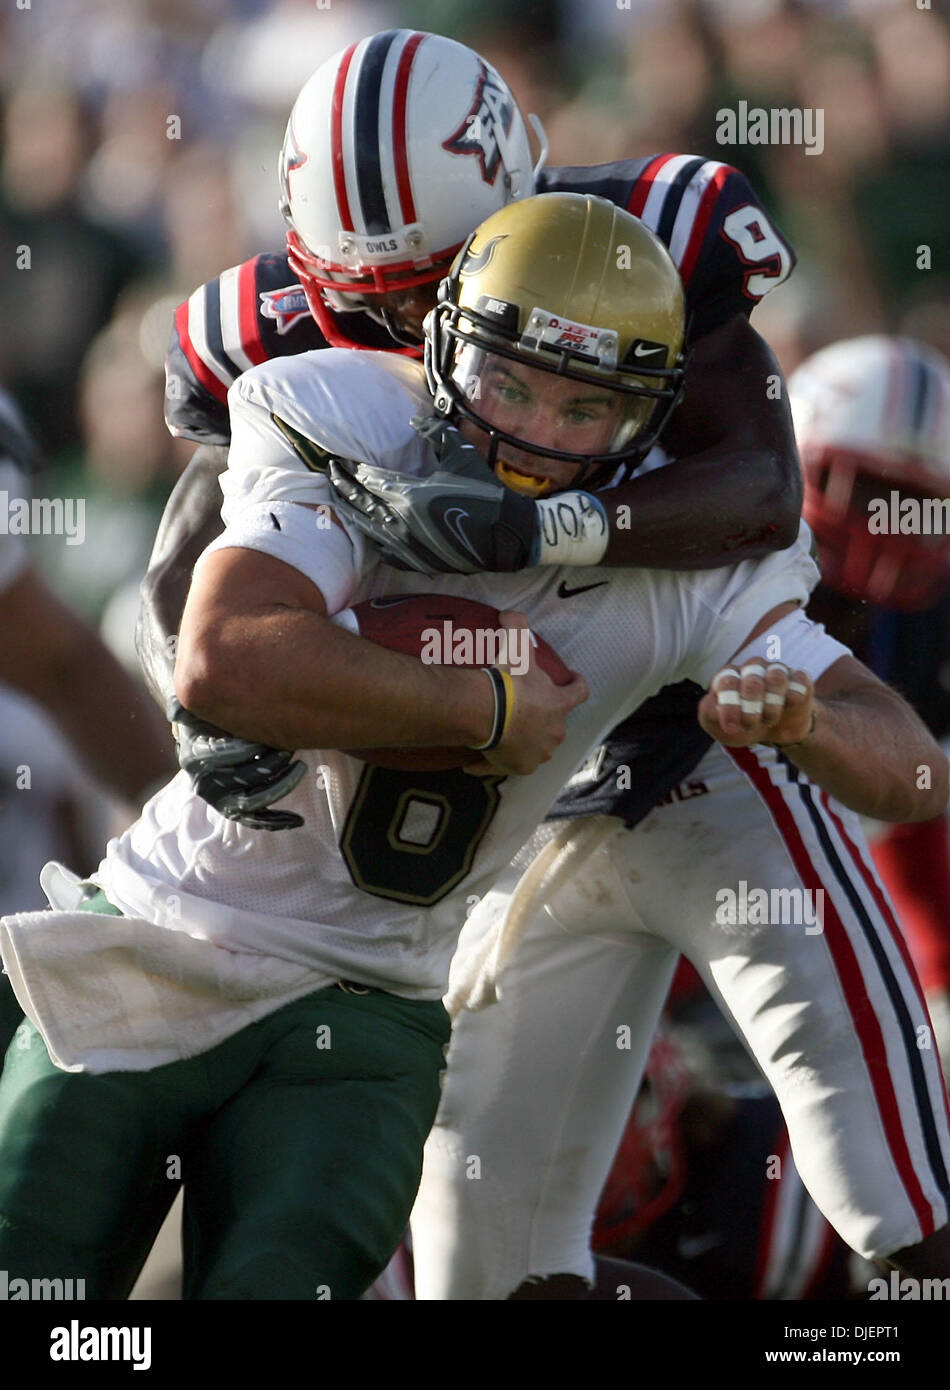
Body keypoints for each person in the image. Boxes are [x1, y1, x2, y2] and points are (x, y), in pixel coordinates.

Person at [0, 194, 936, 1301]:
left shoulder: (694, 563)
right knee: (35, 1277)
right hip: (162, 932)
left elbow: (912, 765)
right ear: (436, 336)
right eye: (507, 380)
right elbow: (221, 657)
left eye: (584, 404)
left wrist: (809, 720)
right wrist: (477, 708)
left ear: (650, 415)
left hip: (370, 996)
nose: (532, 429)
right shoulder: (338, 407)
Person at [139, 27, 800, 832]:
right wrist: (190, 697)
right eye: (368, 296)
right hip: (435, 727)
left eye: (435, 280)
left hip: (677, 709)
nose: (410, 317)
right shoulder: (260, 332)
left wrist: (539, 528)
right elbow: (187, 566)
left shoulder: (645, 246)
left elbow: (763, 489)